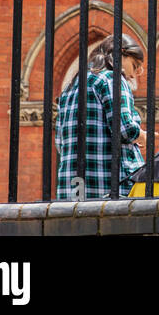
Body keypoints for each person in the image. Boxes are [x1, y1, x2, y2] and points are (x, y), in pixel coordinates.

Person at [55, 33, 145, 199]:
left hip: (74, 189)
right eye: (135, 65)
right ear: (122, 55)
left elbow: (60, 143)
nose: (134, 74)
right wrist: (142, 136)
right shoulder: (112, 78)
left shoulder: (71, 86)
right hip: (110, 186)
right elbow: (124, 129)